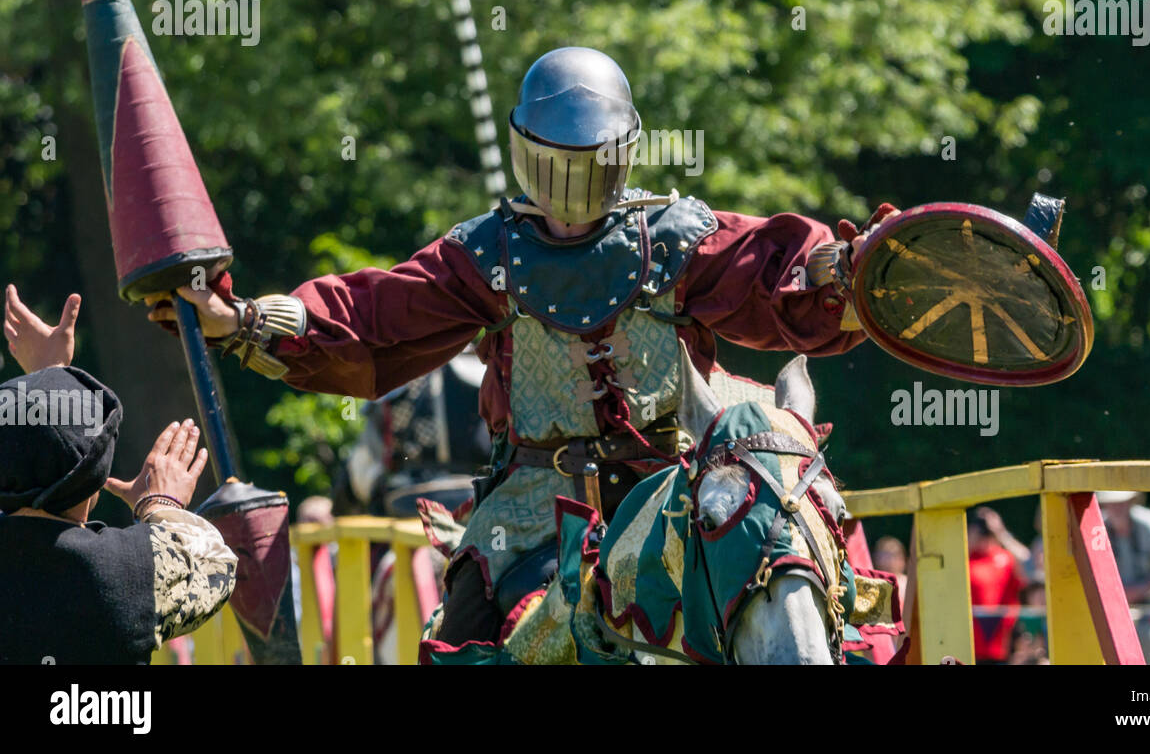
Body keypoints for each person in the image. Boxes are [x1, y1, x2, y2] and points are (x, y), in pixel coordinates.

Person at [140, 46, 894, 652]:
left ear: (620, 155)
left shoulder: (677, 239)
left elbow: (774, 275)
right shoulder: (487, 255)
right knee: (483, 644)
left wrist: (840, 272)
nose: (570, 187)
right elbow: (376, 317)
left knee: (789, 556)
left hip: (683, 491)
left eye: (587, 161)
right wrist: (243, 319)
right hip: (533, 517)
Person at [0, 304, 237, 663]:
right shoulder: (132, 570)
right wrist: (160, 503)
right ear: (95, 483)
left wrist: (38, 393)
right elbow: (214, 567)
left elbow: (27, 449)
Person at [1098, 489, 1150, 660]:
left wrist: (1141, 590)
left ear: (1131, 502)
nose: (1116, 508)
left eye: (1121, 503)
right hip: (1110, 606)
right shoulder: (1096, 529)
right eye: (1112, 504)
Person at [967, 509, 1026, 664]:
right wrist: (967, 542)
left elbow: (1029, 566)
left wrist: (1001, 533)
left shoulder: (1006, 558)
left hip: (1003, 643)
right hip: (971, 643)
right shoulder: (966, 559)